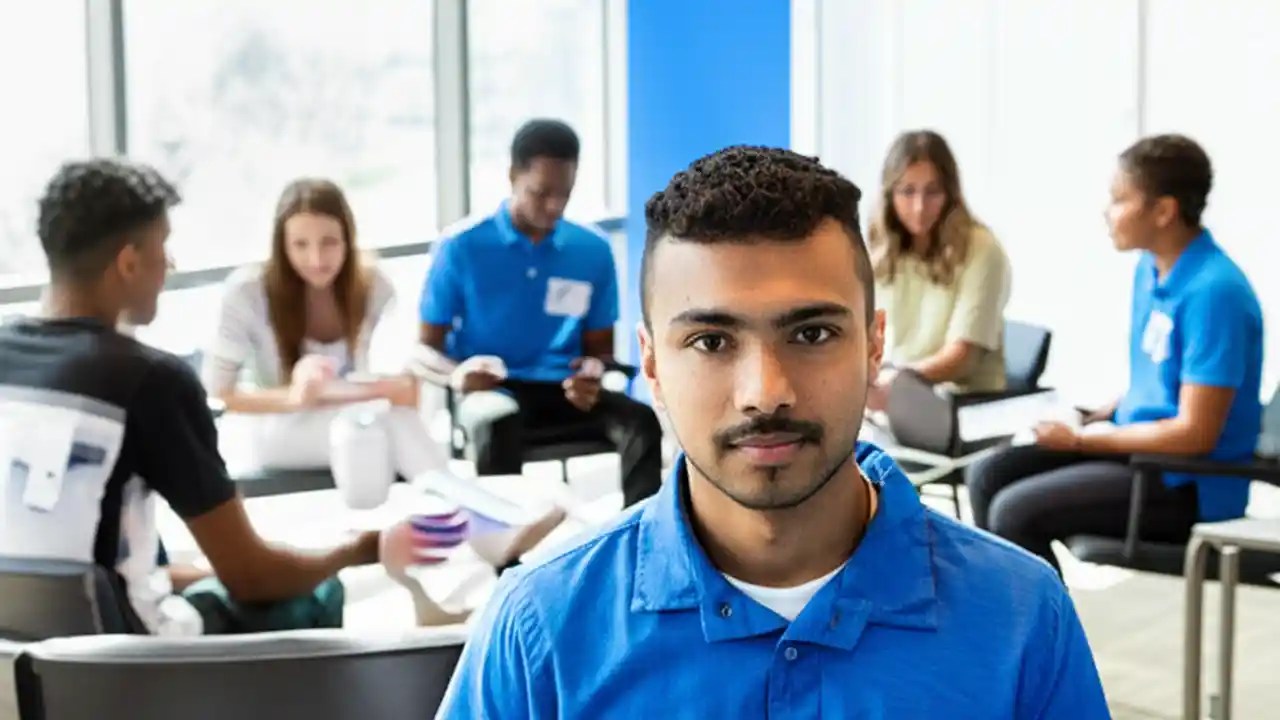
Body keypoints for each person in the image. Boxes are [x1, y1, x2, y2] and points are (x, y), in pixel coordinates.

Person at [437, 146, 1108, 717]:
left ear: (875, 346)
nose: (766, 392)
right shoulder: (541, 629)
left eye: (812, 334)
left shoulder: (1022, 618)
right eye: (709, 341)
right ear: (651, 363)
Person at [0, 160, 404, 635]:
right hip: (116, 666)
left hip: (18, 657)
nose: (169, 265)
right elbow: (252, 577)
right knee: (317, 592)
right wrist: (361, 549)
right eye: (161, 248)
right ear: (129, 263)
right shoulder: (151, 380)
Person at [966, 134, 1264, 576]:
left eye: (1120, 199)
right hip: (1144, 452)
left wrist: (1085, 440)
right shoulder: (1152, 269)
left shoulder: (1214, 292)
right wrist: (1095, 414)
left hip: (1186, 481)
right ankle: (1020, 636)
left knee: (1015, 512)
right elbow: (1158, 382)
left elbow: (1195, 433)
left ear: (1163, 211)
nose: (1107, 212)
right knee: (987, 474)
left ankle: (1049, 642)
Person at [419, 119, 663, 507]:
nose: (553, 206)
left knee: (641, 422)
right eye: (541, 192)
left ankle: (640, 544)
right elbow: (423, 349)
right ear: (512, 176)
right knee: (495, 421)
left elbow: (599, 351)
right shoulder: (461, 247)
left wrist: (593, 373)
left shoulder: (592, 251)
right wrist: (458, 375)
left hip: (562, 387)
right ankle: (507, 555)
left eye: (564, 194)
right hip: (493, 388)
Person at [203, 178, 443, 506]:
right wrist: (295, 397)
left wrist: (371, 389)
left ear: (348, 239)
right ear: (281, 246)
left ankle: (403, 521)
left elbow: (401, 385)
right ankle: (464, 509)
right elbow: (221, 393)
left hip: (356, 421)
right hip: (276, 427)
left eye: (329, 242)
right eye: (300, 245)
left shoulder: (374, 287)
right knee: (382, 429)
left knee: (380, 428)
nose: (316, 259)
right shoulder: (247, 291)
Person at [865, 130, 1011, 410]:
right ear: (889, 194)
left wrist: (897, 385)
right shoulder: (880, 247)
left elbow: (963, 355)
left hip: (958, 402)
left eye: (932, 192)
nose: (919, 207)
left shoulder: (982, 248)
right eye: (907, 192)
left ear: (950, 193)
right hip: (895, 391)